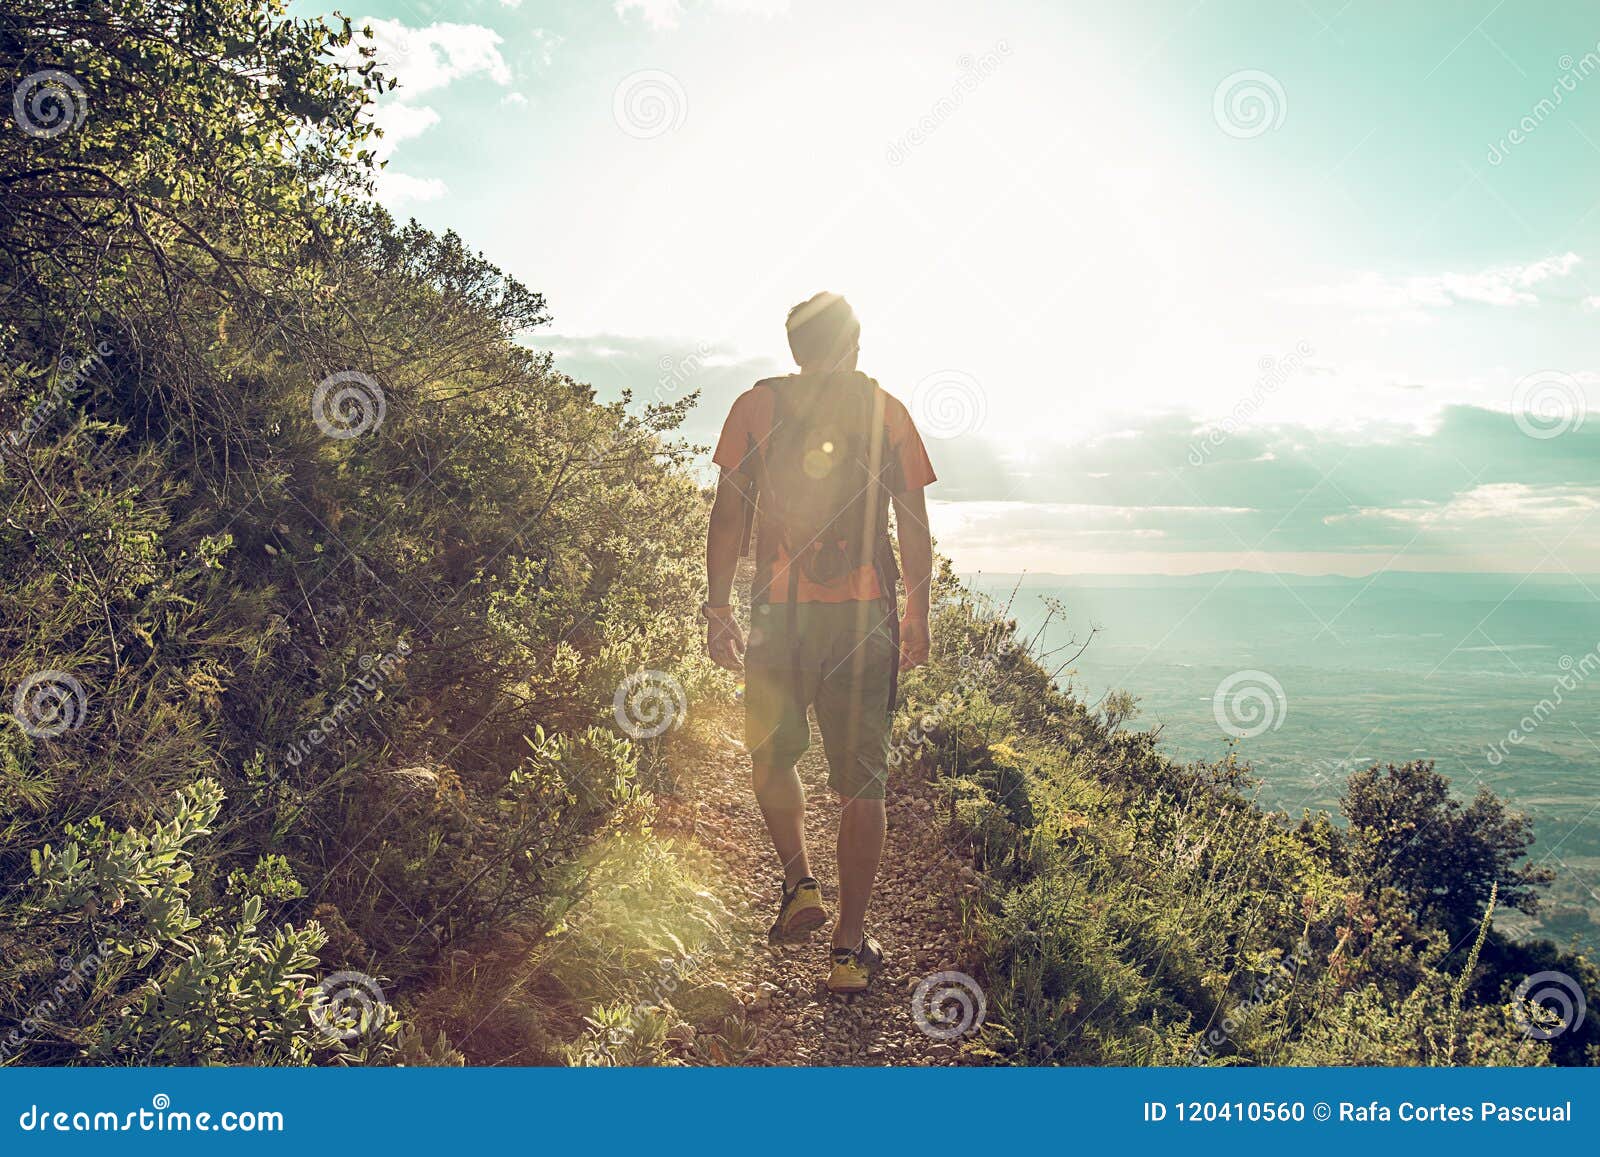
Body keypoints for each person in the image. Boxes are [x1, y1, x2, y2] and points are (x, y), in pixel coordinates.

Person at [702, 291, 935, 994]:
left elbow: (726, 516)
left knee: (771, 753)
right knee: (864, 781)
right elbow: (914, 523)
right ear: (855, 345)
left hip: (779, 611)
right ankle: (847, 949)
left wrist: (717, 607)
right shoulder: (887, 411)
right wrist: (918, 610)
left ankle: (800, 882)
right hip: (864, 619)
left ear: (794, 347)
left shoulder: (754, 407)